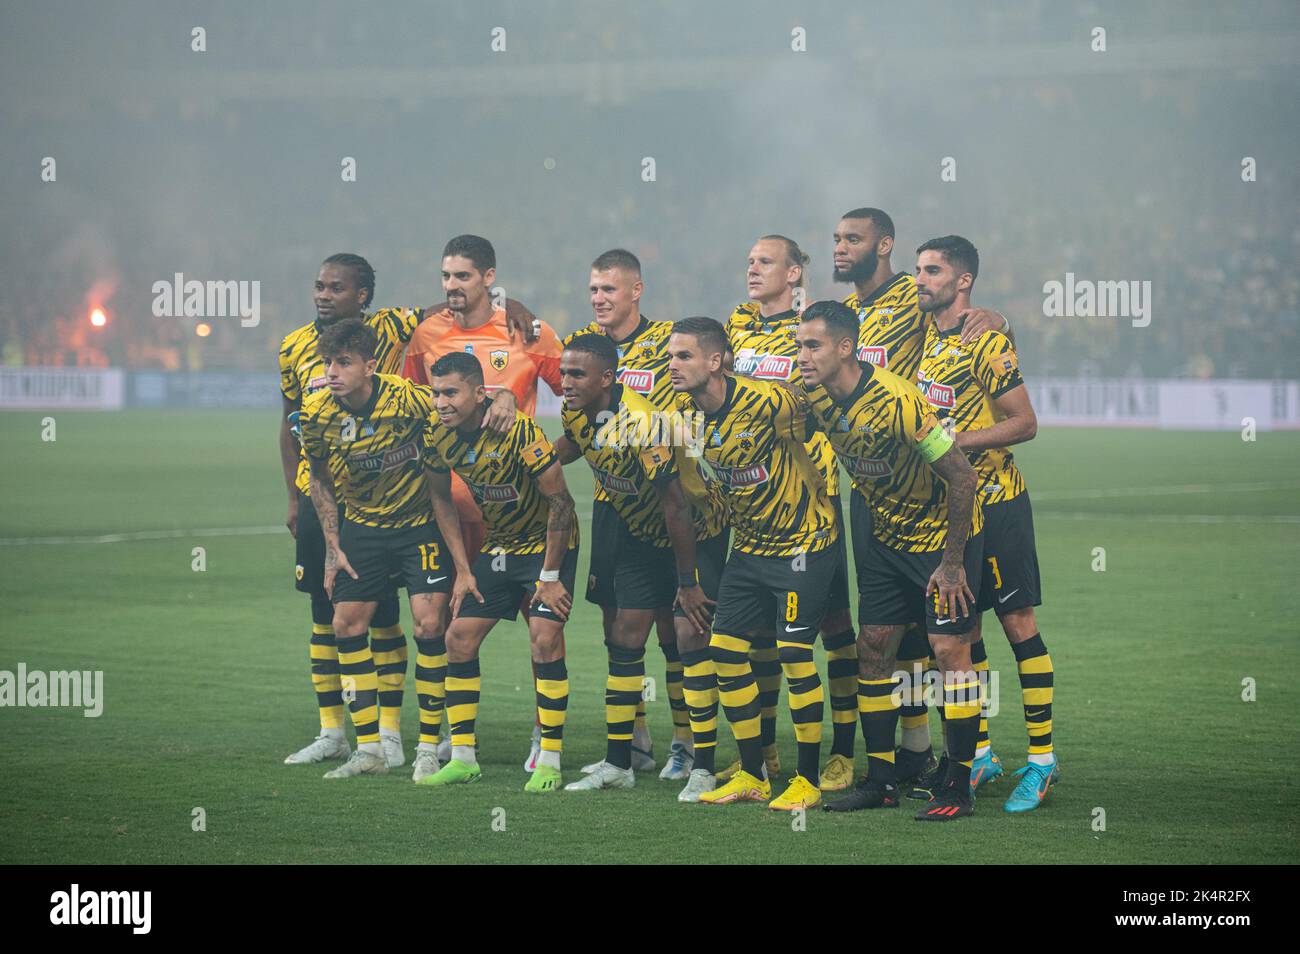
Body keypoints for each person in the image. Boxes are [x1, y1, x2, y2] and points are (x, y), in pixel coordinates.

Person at [795, 300, 984, 820]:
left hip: (940, 542)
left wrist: (952, 564)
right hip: (884, 539)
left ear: (845, 348)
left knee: (950, 653)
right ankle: (880, 781)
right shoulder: (811, 396)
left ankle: (959, 785)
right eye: (799, 345)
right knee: (873, 648)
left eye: (813, 346)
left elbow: (963, 477)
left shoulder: (899, 402)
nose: (802, 355)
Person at [402, 234, 563, 771]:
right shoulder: (426, 333)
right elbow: (414, 404)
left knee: (542, 631)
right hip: (454, 516)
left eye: (463, 276)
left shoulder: (526, 331)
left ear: (489, 278)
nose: (452, 286)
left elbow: (584, 398)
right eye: (446, 276)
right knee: (450, 629)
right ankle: (454, 736)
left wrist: (550, 456)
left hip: (521, 516)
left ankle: (546, 736)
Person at [669, 316, 838, 811]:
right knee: (723, 650)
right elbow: (627, 420)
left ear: (716, 360)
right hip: (749, 545)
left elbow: (831, 418)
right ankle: (753, 773)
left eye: (684, 356)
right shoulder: (683, 413)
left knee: (793, 653)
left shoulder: (769, 401)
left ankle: (806, 778)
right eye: (671, 356)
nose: (673, 365)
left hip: (805, 541)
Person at [912, 236, 1057, 812]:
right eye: (918, 269)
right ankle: (981, 755)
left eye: (932, 270)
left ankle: (1043, 761)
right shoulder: (924, 337)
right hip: (950, 514)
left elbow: (1024, 422)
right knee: (962, 635)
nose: (920, 279)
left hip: (998, 505)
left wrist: (950, 444)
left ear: (963, 280)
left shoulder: (987, 337)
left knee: (1017, 624)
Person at [553, 333, 729, 801]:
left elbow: (677, 507)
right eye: (563, 372)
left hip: (694, 534)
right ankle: (619, 763)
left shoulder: (644, 425)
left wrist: (687, 582)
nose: (565, 382)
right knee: (624, 635)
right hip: (638, 533)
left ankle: (703, 766)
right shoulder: (577, 411)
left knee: (691, 637)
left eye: (577, 374)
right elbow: (571, 444)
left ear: (607, 378)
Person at [722, 235, 858, 792]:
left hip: (812, 499)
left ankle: (842, 753)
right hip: (755, 506)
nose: (752, 269)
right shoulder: (737, 326)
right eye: (749, 260)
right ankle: (763, 759)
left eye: (765, 262)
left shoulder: (815, 331)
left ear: (796, 274)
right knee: (758, 640)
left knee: (833, 630)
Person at [278, 253, 419, 770]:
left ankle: (388, 734)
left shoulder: (389, 327)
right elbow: (288, 422)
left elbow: (448, 311)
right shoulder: (294, 346)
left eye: (335, 288)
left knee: (382, 616)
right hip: (320, 501)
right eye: (318, 285)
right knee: (323, 614)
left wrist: (506, 305)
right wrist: (294, 499)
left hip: (377, 499)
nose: (322, 294)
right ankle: (332, 731)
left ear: (362, 296)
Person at [297, 319, 452, 779]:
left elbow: (462, 406)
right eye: (328, 362)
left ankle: (426, 746)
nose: (333, 371)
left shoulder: (409, 399)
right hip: (361, 527)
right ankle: (368, 750)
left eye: (343, 362)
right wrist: (331, 543)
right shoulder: (317, 412)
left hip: (419, 527)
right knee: (345, 623)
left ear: (369, 365)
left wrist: (501, 396)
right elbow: (320, 479)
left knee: (428, 624)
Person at [561, 249, 696, 780]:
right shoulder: (582, 348)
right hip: (612, 505)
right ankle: (635, 739)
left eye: (609, 290)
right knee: (618, 622)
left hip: (667, 496)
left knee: (673, 627)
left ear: (635, 291)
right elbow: (576, 430)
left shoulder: (668, 342)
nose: (598, 298)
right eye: (593, 289)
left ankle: (684, 741)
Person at [418, 351, 579, 795]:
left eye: (450, 393)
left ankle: (549, 759)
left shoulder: (519, 430)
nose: (441, 402)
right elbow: (441, 500)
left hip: (549, 543)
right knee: (458, 638)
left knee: (544, 640)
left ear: (477, 392)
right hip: (502, 546)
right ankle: (465, 758)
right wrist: (463, 570)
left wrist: (550, 575)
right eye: (436, 393)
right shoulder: (438, 436)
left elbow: (561, 502)